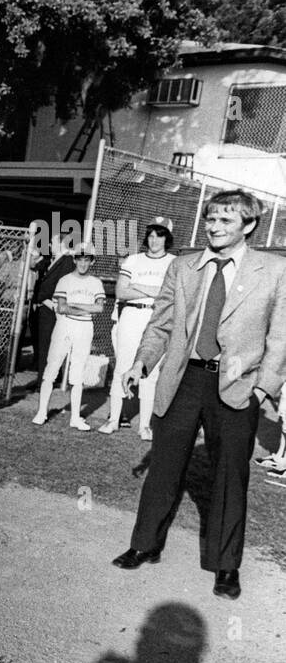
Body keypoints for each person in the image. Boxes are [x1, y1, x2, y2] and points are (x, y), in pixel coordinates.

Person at [112, 190, 286, 600]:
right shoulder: (184, 266)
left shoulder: (274, 270)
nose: (214, 227)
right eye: (210, 218)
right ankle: (144, 545)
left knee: (230, 475)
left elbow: (280, 337)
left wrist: (265, 387)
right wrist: (141, 363)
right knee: (165, 467)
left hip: (238, 386)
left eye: (225, 221)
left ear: (248, 225)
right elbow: (161, 323)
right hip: (184, 379)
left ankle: (226, 567)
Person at [98, 218, 177, 440]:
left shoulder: (174, 262)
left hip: (158, 317)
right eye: (151, 235)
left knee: (150, 371)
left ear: (167, 238)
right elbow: (122, 292)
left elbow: (172, 295)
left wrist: (139, 286)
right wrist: (155, 290)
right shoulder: (133, 260)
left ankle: (144, 425)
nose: (154, 240)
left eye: (159, 235)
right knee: (123, 366)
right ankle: (113, 419)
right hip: (132, 314)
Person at [31, 244, 105, 430]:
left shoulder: (96, 282)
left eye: (86, 259)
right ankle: (42, 412)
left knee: (78, 372)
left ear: (92, 261)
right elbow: (62, 307)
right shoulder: (65, 280)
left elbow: (100, 308)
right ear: (74, 260)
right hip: (64, 325)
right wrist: (86, 308)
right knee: (52, 367)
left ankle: (76, 418)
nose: (82, 263)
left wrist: (77, 306)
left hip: (84, 327)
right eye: (79, 259)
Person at [29, 233, 74, 381]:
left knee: (47, 343)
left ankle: (45, 379)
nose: (50, 246)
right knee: (44, 343)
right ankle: (44, 376)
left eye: (52, 243)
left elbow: (60, 284)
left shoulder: (67, 261)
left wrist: (47, 299)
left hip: (51, 307)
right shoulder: (54, 260)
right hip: (46, 306)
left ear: (61, 244)